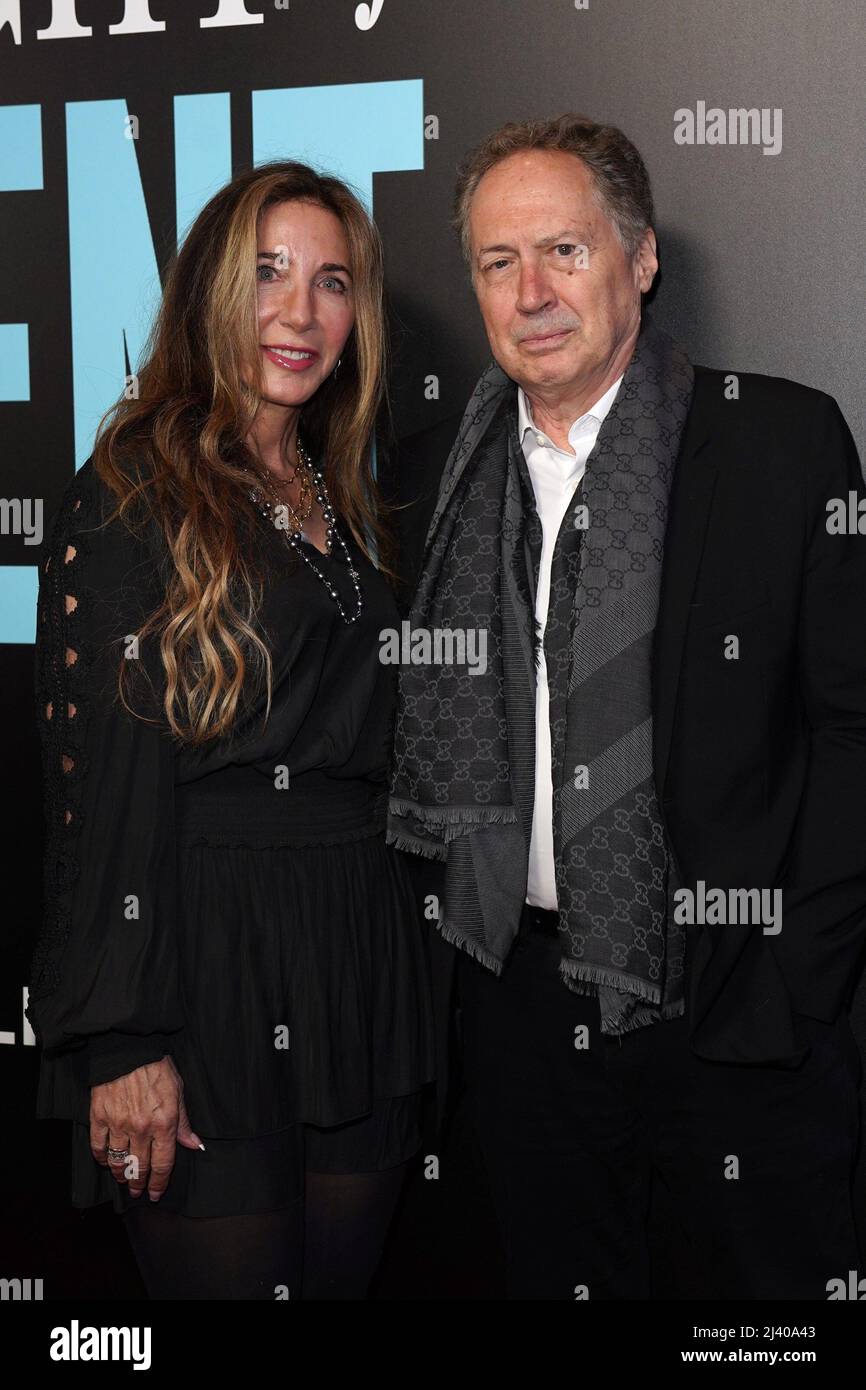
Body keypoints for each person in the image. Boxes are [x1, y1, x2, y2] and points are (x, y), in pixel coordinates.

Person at [385, 113, 866, 1299]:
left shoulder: (779, 444)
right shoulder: (426, 478)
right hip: (514, 1009)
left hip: (726, 1002)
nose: (530, 291)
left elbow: (853, 732)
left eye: (564, 250)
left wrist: (793, 975)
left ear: (639, 259)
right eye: (497, 264)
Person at [26, 159, 435, 1301]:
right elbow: (92, 785)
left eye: (330, 282)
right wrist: (119, 1040)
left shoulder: (338, 488)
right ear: (211, 287)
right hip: (203, 966)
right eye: (267, 273)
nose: (298, 313)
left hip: (354, 955)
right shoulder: (132, 482)